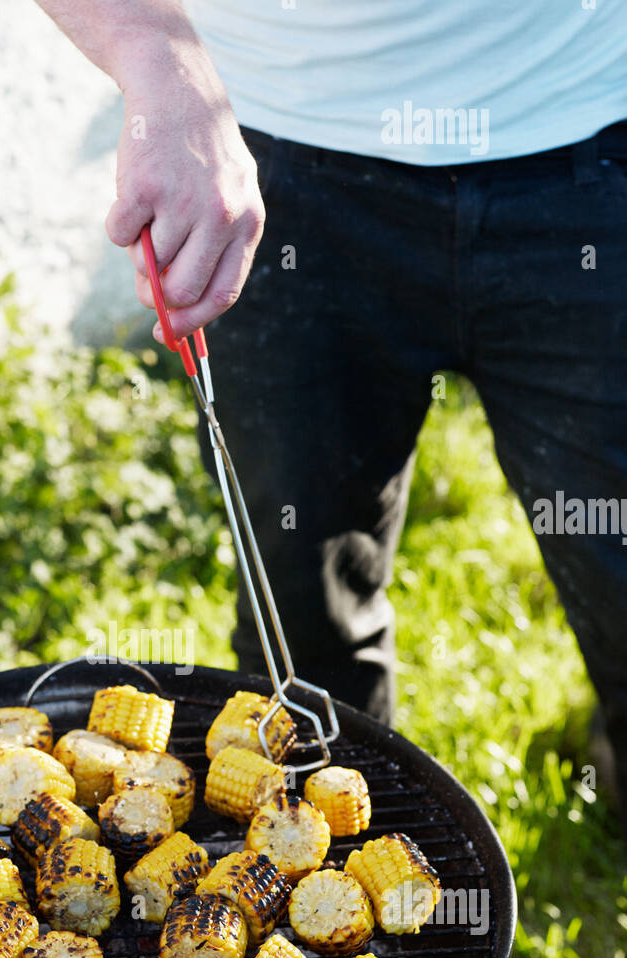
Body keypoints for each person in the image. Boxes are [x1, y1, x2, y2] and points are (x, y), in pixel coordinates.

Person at [34, 0, 627, 822]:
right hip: (272, 159)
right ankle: (335, 856)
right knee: (301, 605)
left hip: (589, 141)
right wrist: (152, 52)